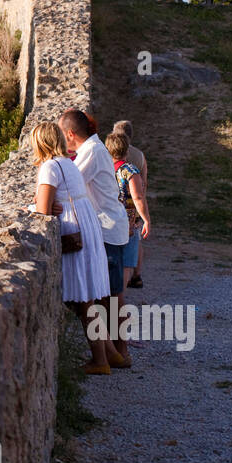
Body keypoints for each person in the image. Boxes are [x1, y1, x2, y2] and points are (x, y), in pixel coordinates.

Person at [31, 121, 128, 375]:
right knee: (85, 299)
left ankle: (100, 361)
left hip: (72, 231)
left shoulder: (49, 167)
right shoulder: (68, 164)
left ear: (40, 143)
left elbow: (41, 210)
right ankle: (111, 353)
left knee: (83, 301)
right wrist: (51, 204)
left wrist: (41, 207)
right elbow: (54, 200)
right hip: (87, 225)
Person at [58, 107, 132, 362]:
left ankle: (121, 351)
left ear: (70, 134)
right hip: (112, 225)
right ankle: (113, 352)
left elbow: (69, 183)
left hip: (107, 228)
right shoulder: (94, 148)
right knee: (108, 294)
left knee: (111, 296)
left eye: (61, 134)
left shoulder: (90, 152)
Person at [105, 133, 151, 303]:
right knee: (126, 263)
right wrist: (146, 219)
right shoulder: (130, 171)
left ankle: (106, 297)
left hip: (107, 220)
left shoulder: (105, 169)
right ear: (127, 148)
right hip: (127, 223)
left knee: (110, 260)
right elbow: (138, 198)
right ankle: (119, 298)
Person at [112, 119, 148, 287]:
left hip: (111, 210)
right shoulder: (139, 156)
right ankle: (137, 275)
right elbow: (143, 184)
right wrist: (144, 215)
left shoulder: (107, 157)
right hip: (131, 210)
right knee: (134, 243)